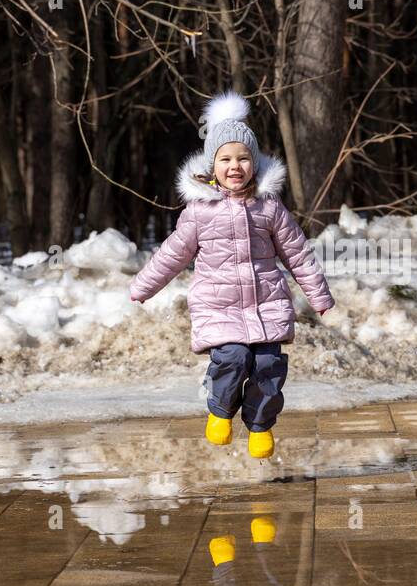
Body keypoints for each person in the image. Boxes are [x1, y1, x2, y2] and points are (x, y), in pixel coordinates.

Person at [129, 91, 334, 458]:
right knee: (234, 359)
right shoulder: (200, 211)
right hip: (219, 308)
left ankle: (260, 426)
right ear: (213, 166)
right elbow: (173, 253)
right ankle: (221, 410)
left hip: (267, 305)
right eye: (225, 159)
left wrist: (319, 296)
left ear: (254, 163)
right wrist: (143, 287)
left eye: (243, 158)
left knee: (269, 366)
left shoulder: (269, 207)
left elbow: (297, 252)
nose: (234, 166)